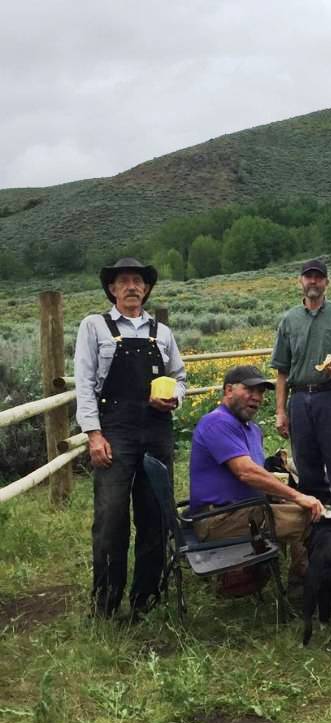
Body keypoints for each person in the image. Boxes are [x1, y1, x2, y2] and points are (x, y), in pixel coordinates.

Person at [74, 257, 187, 618]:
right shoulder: (94, 327)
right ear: (112, 289)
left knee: (155, 514)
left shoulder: (162, 332)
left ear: (146, 288)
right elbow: (84, 385)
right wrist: (94, 434)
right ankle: (106, 601)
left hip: (156, 430)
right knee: (111, 518)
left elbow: (180, 377)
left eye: (138, 281)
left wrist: (174, 398)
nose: (132, 287)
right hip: (114, 432)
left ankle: (146, 599)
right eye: (123, 281)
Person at [188, 365, 324, 580]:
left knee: (310, 510)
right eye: (249, 390)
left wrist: (283, 494)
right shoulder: (216, 422)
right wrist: (297, 496)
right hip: (218, 519)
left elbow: (256, 473)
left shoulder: (252, 429)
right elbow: (246, 473)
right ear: (228, 390)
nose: (257, 397)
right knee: (315, 519)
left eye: (260, 392)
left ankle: (304, 578)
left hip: (243, 510)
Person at [271, 259, 331, 523]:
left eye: (318, 277)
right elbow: (282, 371)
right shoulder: (289, 320)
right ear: (300, 282)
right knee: (306, 464)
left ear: (327, 282)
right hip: (299, 398)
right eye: (308, 277)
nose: (313, 281)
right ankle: (316, 524)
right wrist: (280, 411)